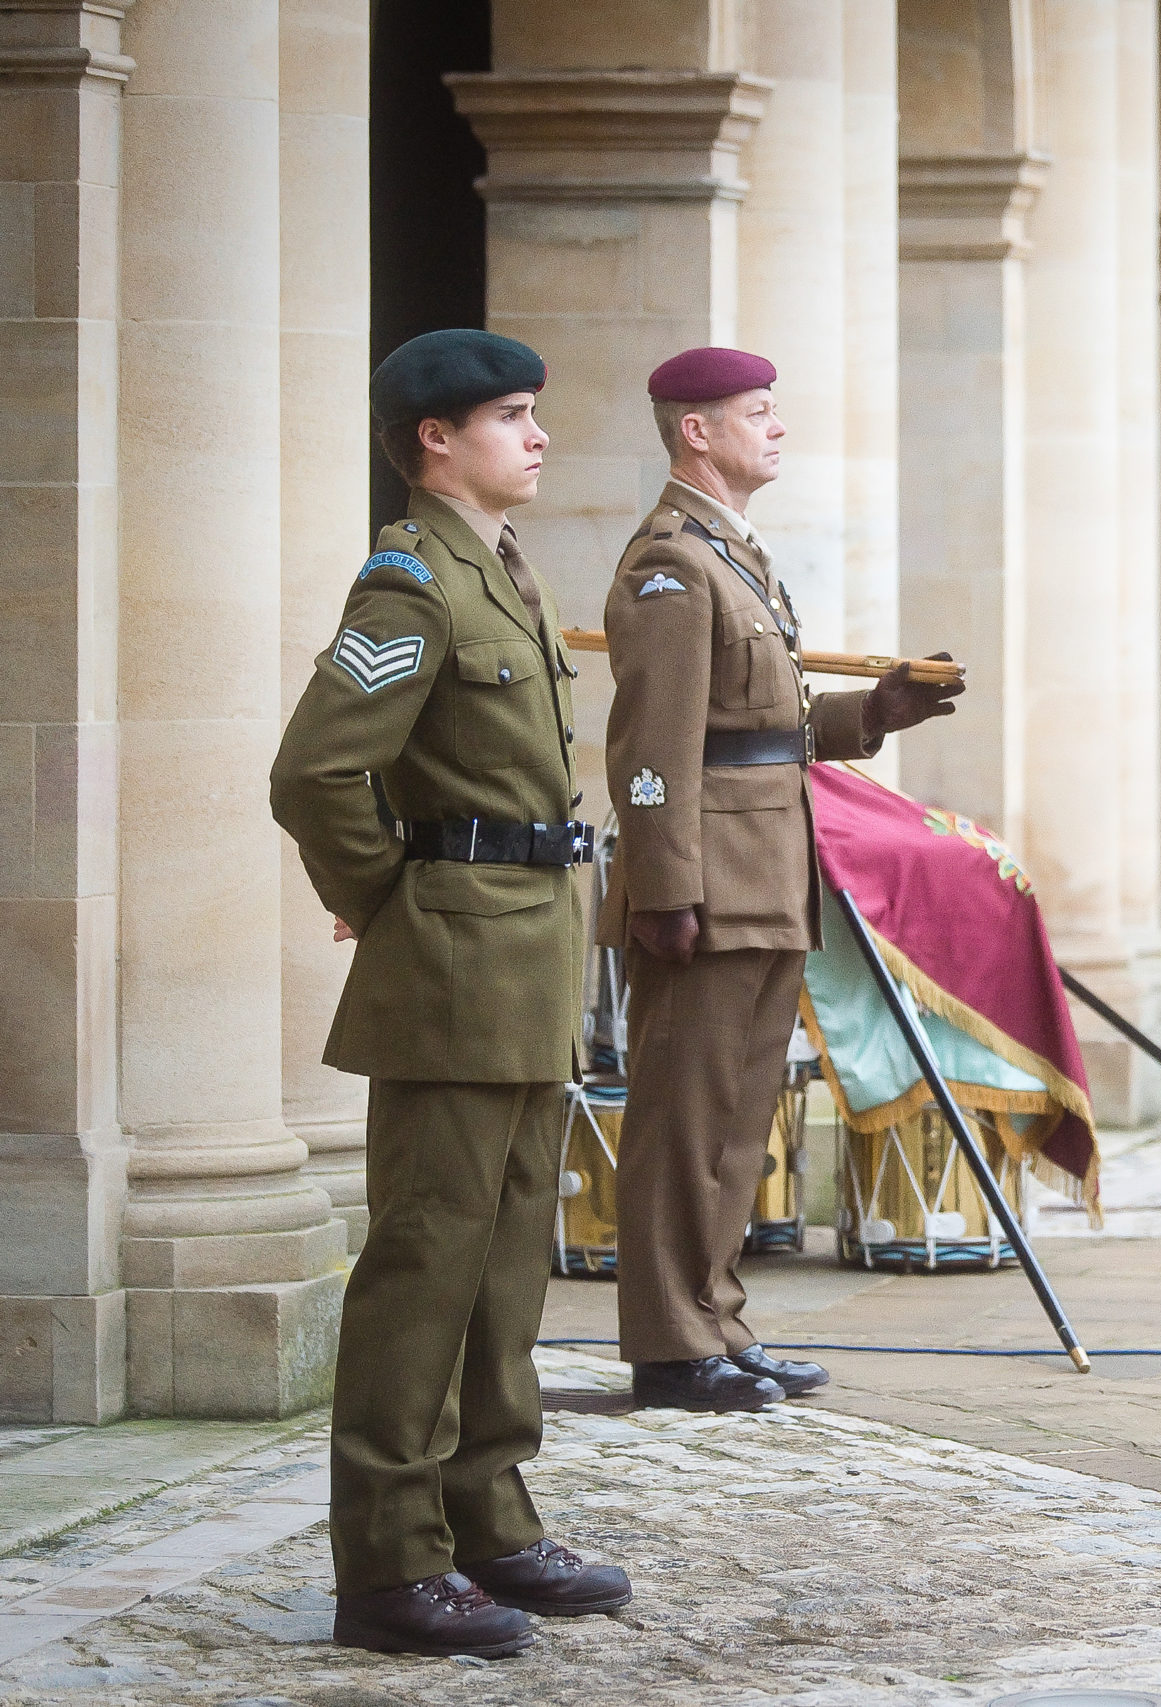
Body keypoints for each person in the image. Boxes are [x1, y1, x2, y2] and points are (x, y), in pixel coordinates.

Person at [273, 328, 630, 1657]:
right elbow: (313, 774)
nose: (537, 435)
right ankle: (389, 1560)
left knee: (504, 1264)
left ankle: (490, 1515)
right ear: (437, 438)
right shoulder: (411, 580)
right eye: (513, 415)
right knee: (426, 1266)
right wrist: (389, 901)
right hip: (458, 959)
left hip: (526, 958)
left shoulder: (504, 573)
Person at [599, 347, 963, 1412]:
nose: (778, 427)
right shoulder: (667, 564)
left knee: (736, 1116)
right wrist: (663, 887)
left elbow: (766, 724)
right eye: (756, 413)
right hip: (708, 877)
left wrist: (874, 715)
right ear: (695, 432)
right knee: (685, 1116)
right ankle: (670, 1345)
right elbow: (651, 748)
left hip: (763, 869)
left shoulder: (735, 555)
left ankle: (716, 1318)